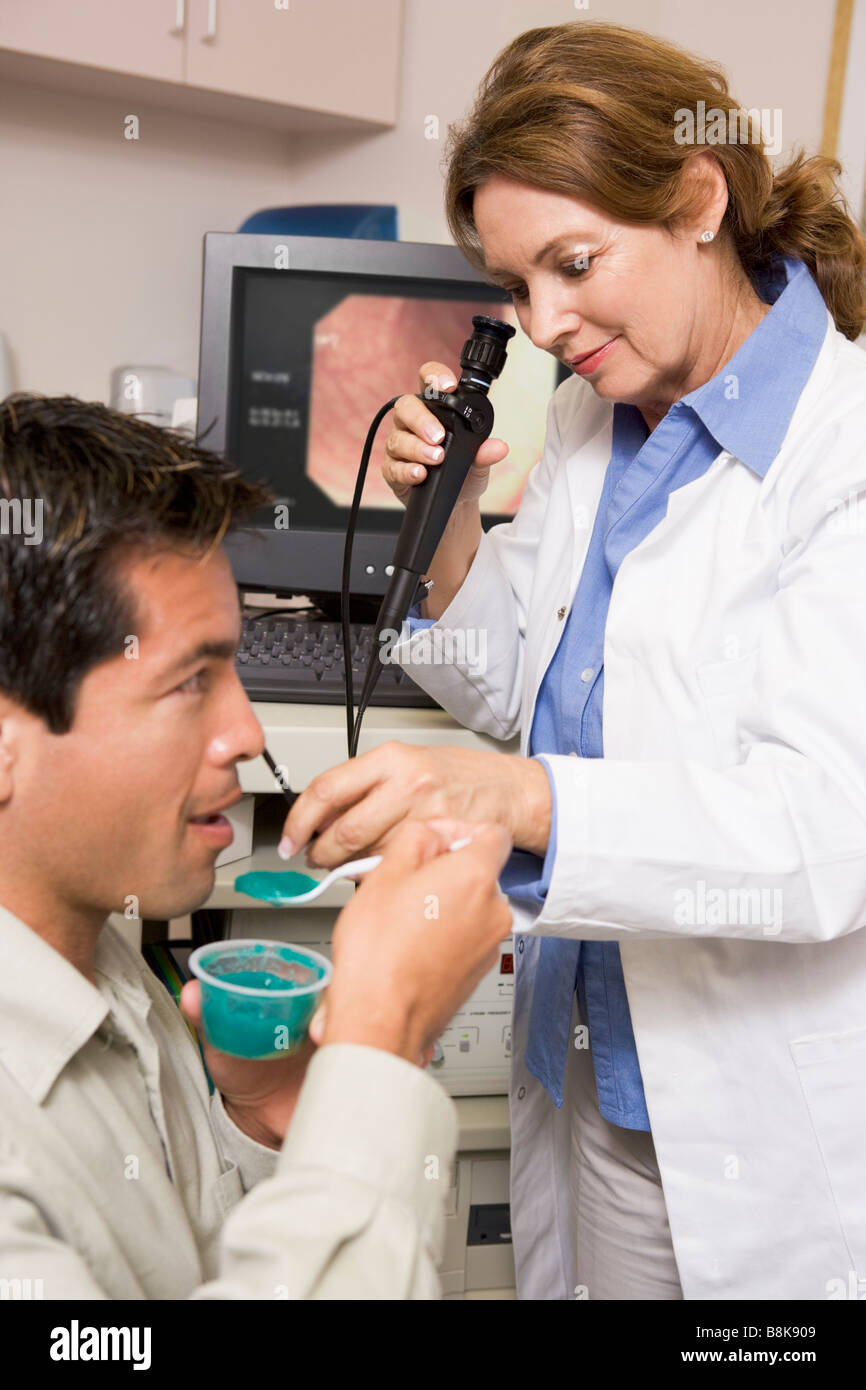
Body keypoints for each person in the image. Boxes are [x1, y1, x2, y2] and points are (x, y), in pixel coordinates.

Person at [279, 21, 866, 1300]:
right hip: (580, 1059)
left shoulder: (842, 454)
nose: (542, 323)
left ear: (698, 199)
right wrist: (435, 537)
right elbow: (511, 686)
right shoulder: (603, 415)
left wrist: (522, 799)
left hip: (741, 1117)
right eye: (515, 283)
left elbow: (823, 831)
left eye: (573, 263)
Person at [0, 393, 513, 1299]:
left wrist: (270, 1119)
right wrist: (381, 1035)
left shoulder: (104, 967)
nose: (245, 731)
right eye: (190, 682)